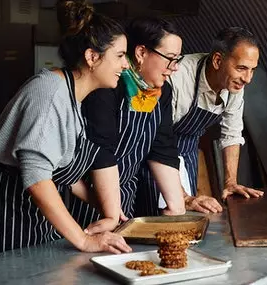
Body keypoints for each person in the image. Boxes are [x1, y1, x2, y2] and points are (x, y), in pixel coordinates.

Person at [0, 0, 132, 261]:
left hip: (29, 214)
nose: (125, 64)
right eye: (120, 55)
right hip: (5, 214)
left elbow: (63, 172)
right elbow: (38, 178)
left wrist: (109, 211)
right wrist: (84, 241)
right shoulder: (50, 91)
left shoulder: (71, 96)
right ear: (92, 57)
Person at [67, 16, 186, 233]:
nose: (175, 68)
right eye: (170, 58)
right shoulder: (109, 83)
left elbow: (163, 149)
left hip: (123, 202)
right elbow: (101, 150)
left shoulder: (162, 93)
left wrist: (177, 210)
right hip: (84, 197)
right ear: (141, 53)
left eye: (178, 59)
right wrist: (110, 211)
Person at [135, 27, 264, 216]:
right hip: (155, 153)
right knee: (156, 218)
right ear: (218, 60)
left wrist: (230, 183)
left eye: (252, 70)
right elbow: (157, 139)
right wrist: (183, 197)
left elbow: (232, 133)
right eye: (242, 68)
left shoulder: (234, 83)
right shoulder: (179, 77)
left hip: (187, 154)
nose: (248, 79)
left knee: (188, 218)